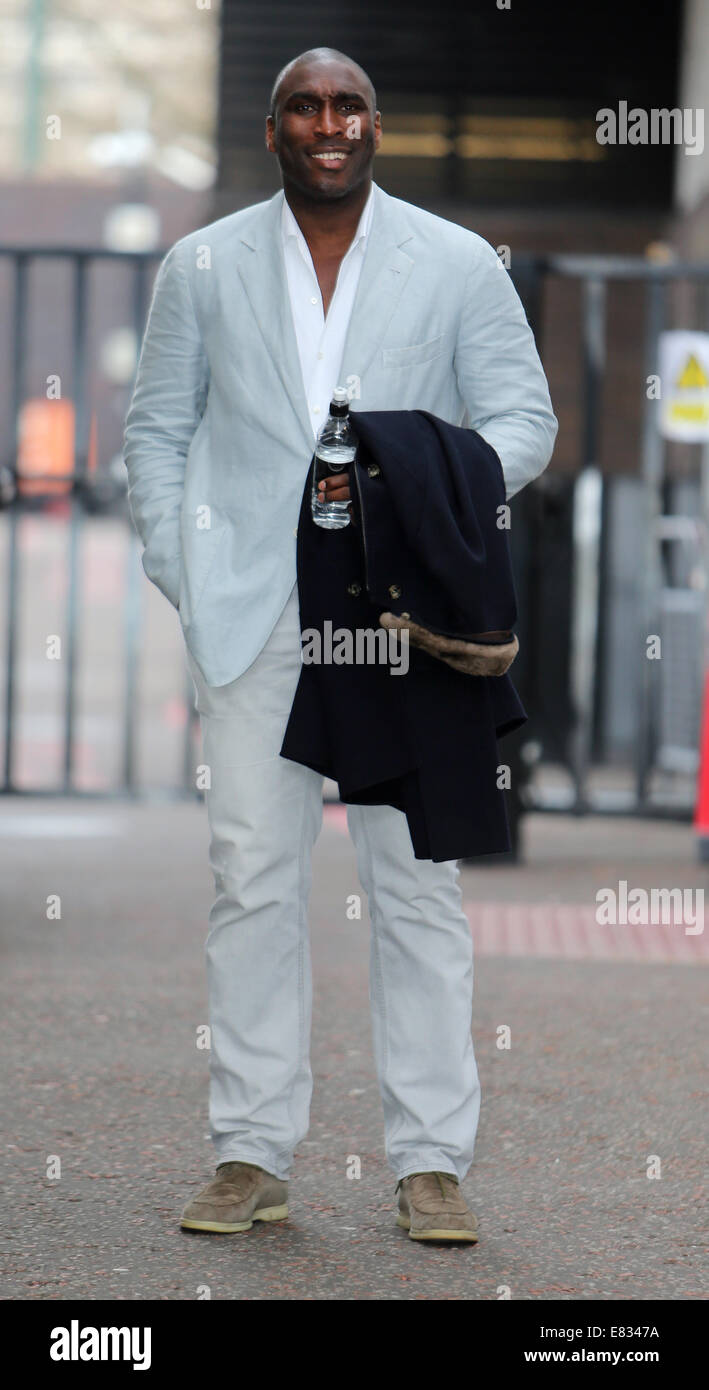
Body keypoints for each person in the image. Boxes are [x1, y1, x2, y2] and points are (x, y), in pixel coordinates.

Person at [123, 46, 558, 1243]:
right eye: (306, 107)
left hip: (401, 612)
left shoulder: (458, 263)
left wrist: (422, 483)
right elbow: (157, 431)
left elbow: (524, 420)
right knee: (250, 878)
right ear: (273, 130)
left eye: (349, 105)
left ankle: (430, 1164)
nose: (329, 123)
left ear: (377, 124)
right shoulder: (202, 264)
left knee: (415, 882)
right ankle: (250, 1150)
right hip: (256, 610)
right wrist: (186, 561)